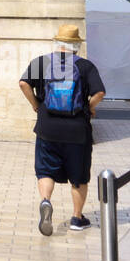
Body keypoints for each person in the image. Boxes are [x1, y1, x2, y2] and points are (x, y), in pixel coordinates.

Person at [19, 24, 105, 236]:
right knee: (78, 176)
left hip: (48, 128)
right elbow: (99, 93)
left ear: (57, 43)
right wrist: (89, 108)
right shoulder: (85, 66)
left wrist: (36, 105)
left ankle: (46, 201)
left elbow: (23, 84)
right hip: (77, 130)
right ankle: (77, 218)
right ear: (76, 45)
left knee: (46, 170)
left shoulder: (42, 62)